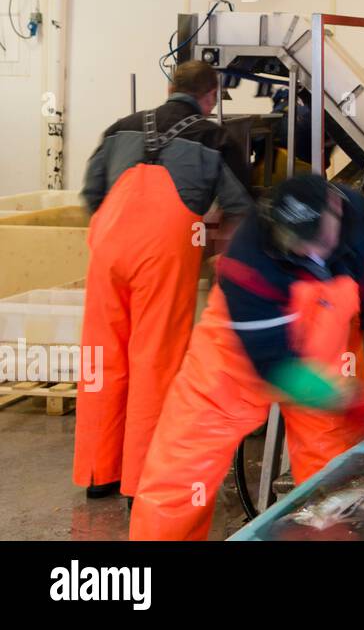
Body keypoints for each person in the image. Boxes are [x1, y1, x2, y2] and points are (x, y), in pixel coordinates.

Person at [129, 175, 364, 540]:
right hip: (234, 357)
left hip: (326, 357)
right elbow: (272, 361)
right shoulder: (247, 255)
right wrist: (348, 406)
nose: (310, 254)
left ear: (336, 207)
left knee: (334, 480)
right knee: (180, 474)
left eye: (318, 240)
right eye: (297, 243)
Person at [75, 60, 253, 502]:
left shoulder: (119, 128)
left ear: (170, 87)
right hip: (163, 253)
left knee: (103, 356)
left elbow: (92, 195)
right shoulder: (216, 137)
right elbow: (241, 206)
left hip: (108, 249)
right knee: (155, 359)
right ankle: (141, 480)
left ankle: (99, 473)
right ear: (210, 97)